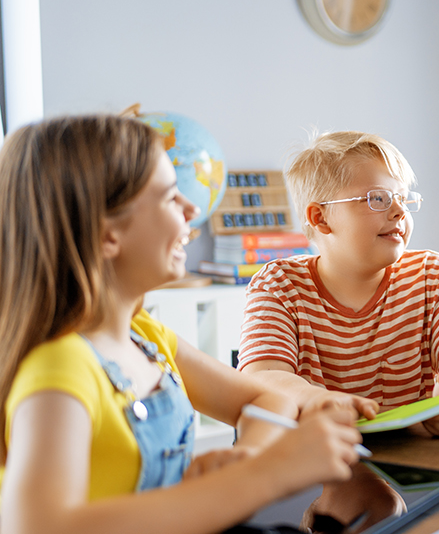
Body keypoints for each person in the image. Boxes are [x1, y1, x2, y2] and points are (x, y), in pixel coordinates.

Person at [0, 115, 364, 534]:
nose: (192, 210)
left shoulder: (146, 339)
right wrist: (264, 475)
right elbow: (35, 525)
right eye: (171, 198)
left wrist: (246, 456)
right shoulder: (60, 368)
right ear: (108, 236)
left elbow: (267, 401)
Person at [239, 130, 439, 437]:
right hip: (316, 463)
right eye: (378, 198)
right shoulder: (278, 285)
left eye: (403, 198)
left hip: (420, 459)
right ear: (321, 218)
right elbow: (263, 378)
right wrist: (320, 400)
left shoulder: (434, 275)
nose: (400, 210)